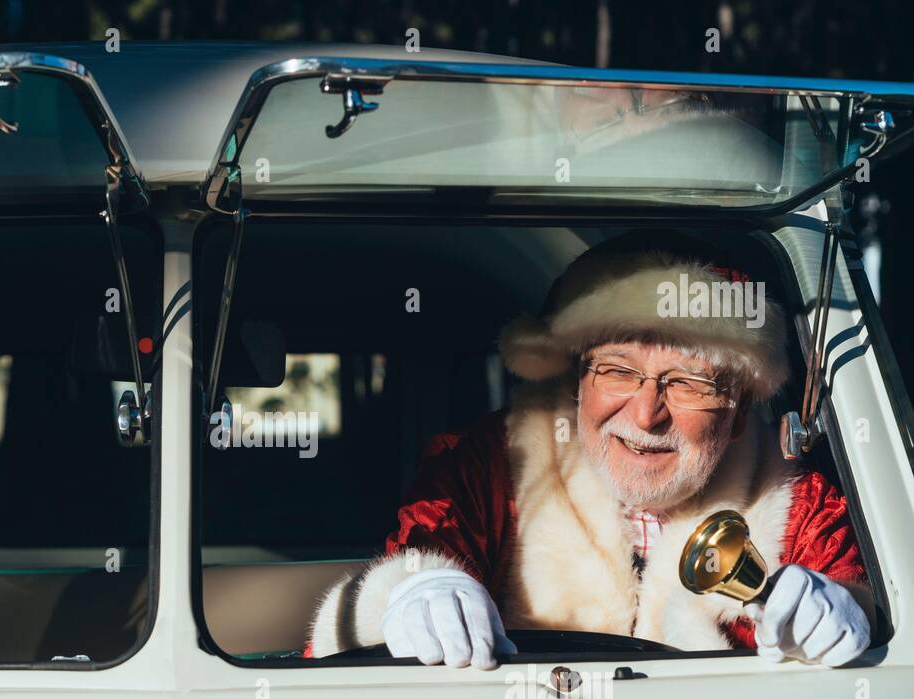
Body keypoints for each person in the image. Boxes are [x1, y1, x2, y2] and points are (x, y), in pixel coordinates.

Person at [306, 232, 873, 668]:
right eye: (617, 371)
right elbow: (424, 548)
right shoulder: (492, 463)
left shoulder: (799, 502)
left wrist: (850, 616)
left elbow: (860, 603)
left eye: (688, 383)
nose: (646, 414)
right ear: (577, 379)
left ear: (741, 409)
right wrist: (412, 589)